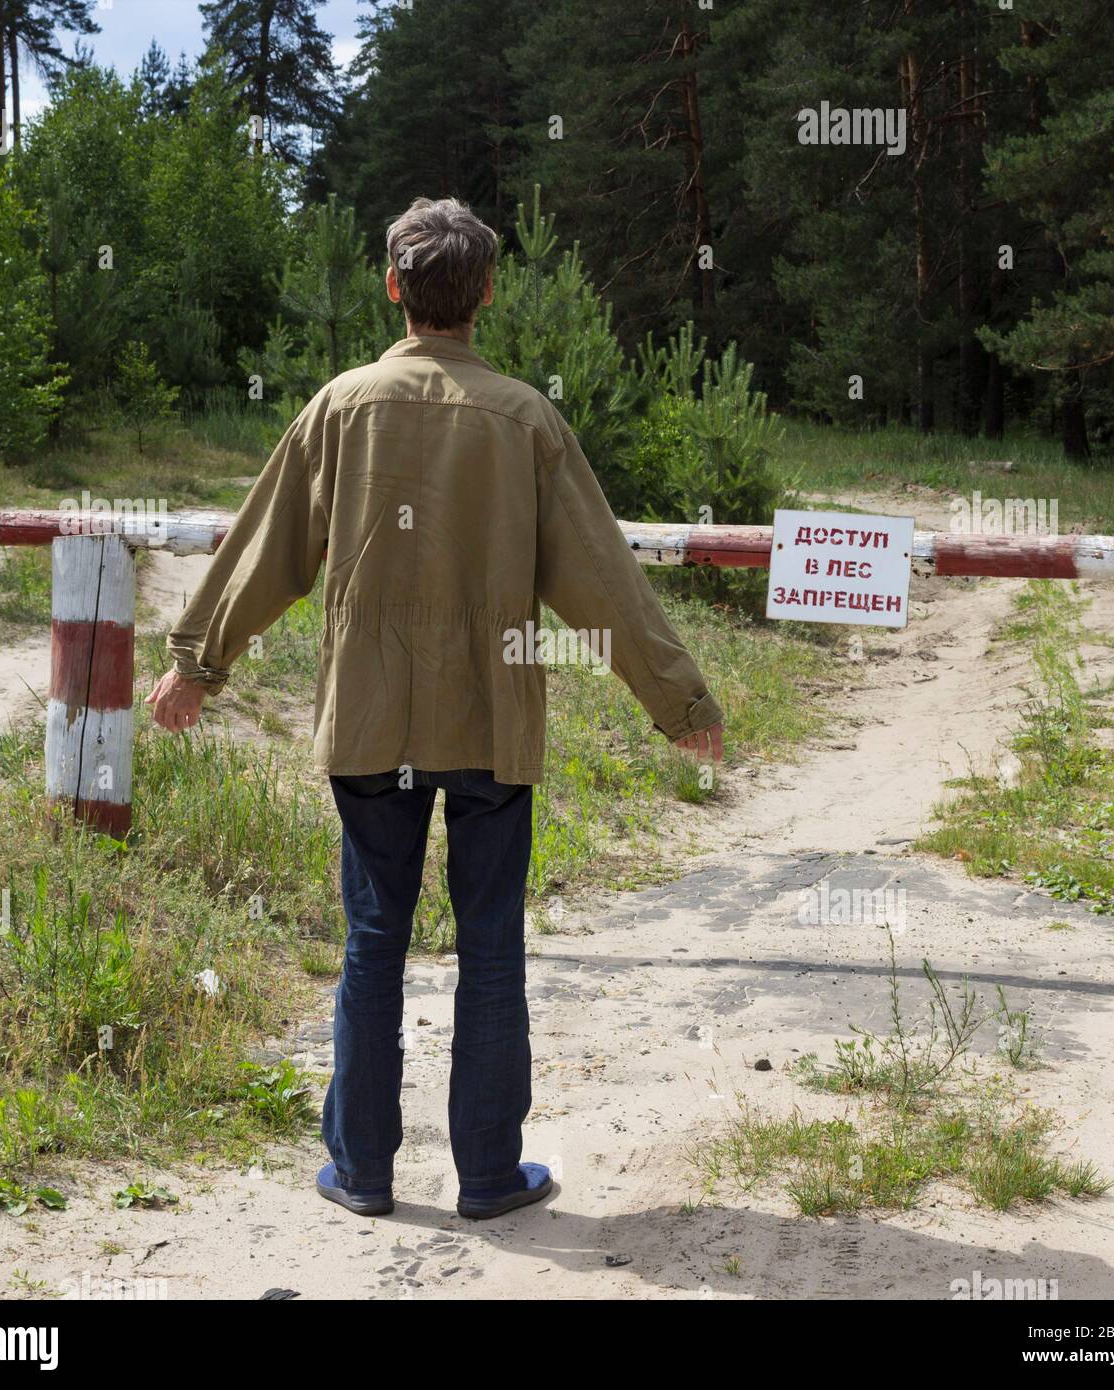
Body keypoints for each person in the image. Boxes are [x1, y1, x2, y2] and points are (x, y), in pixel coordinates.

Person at [146, 197, 723, 1221]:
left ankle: (363, 1171)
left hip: (371, 726)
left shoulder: (339, 406)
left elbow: (266, 548)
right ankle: (489, 1176)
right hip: (490, 729)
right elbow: (601, 581)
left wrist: (198, 662)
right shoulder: (526, 421)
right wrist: (676, 701)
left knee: (374, 939)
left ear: (393, 287)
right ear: (487, 292)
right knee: (490, 945)